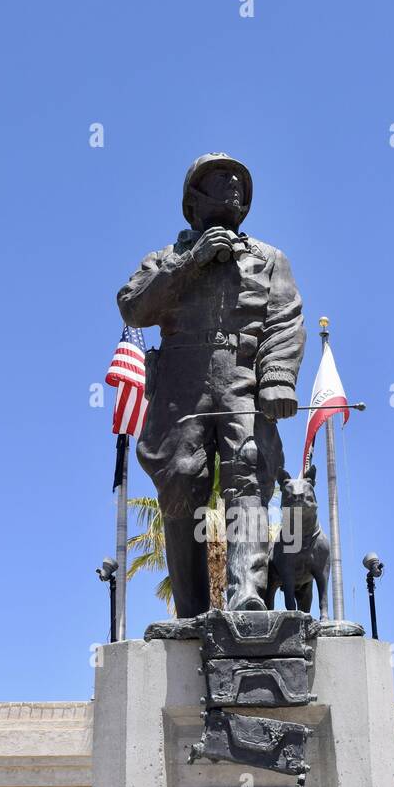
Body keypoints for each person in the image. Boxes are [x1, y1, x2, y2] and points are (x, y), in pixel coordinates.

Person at [117, 153, 306, 617]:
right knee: (180, 480)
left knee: (248, 473)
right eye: (222, 179)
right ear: (194, 199)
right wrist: (189, 265)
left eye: (240, 180)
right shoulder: (165, 258)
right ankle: (193, 611)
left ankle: (248, 595)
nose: (235, 186)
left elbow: (285, 321)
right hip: (182, 378)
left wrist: (277, 376)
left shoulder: (269, 259)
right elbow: (133, 309)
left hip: (244, 375)